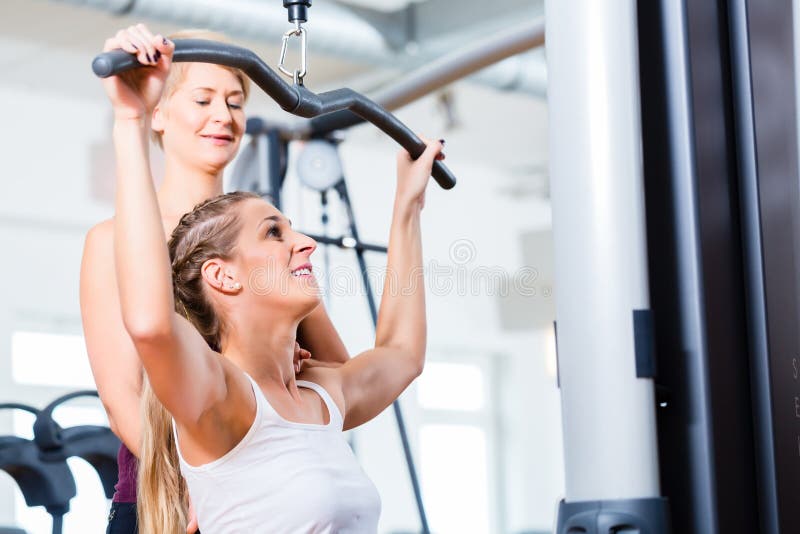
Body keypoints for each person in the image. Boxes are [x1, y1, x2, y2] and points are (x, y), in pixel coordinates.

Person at [107, 32, 443, 533]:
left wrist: (407, 207)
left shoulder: (321, 394)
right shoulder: (220, 397)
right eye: (274, 233)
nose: (305, 243)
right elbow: (150, 325)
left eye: (234, 101)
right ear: (222, 275)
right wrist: (129, 120)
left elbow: (401, 353)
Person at [80, 24, 350, 533]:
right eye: (203, 100)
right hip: (169, 503)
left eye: (235, 102)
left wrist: (289, 370)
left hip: (274, 497)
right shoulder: (111, 241)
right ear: (158, 111)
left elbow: (337, 372)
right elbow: (121, 397)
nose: (223, 116)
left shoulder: (268, 242)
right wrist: (199, 483)